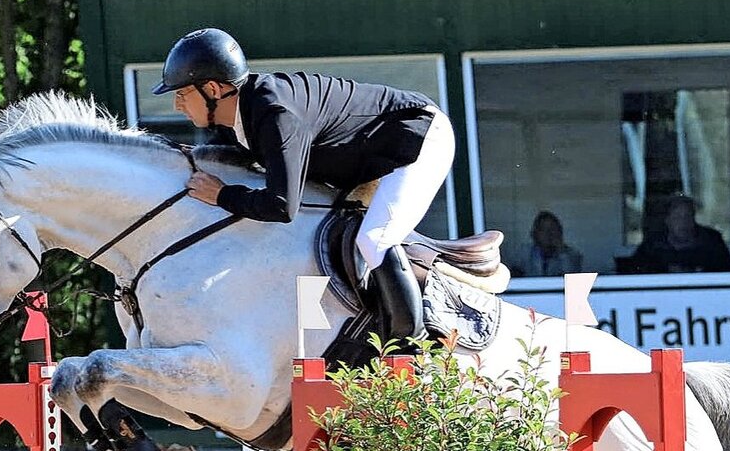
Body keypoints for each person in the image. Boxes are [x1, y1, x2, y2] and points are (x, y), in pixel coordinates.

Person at [152, 27, 456, 342]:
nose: (177, 106)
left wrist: (223, 195)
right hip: (365, 158)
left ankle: (412, 348)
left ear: (213, 89)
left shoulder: (275, 114)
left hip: (415, 139)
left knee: (374, 240)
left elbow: (281, 206)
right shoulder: (238, 118)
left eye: (181, 94)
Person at [629, 193, 730, 274]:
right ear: (667, 220)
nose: (683, 222)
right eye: (677, 217)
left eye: (688, 216)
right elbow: (634, 273)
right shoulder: (653, 244)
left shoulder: (711, 240)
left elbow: (728, 273)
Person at [516, 210, 583, 277]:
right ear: (535, 233)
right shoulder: (524, 252)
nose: (548, 233)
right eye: (543, 229)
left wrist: (561, 250)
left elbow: (573, 277)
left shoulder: (572, 254)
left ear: (559, 232)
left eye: (552, 229)